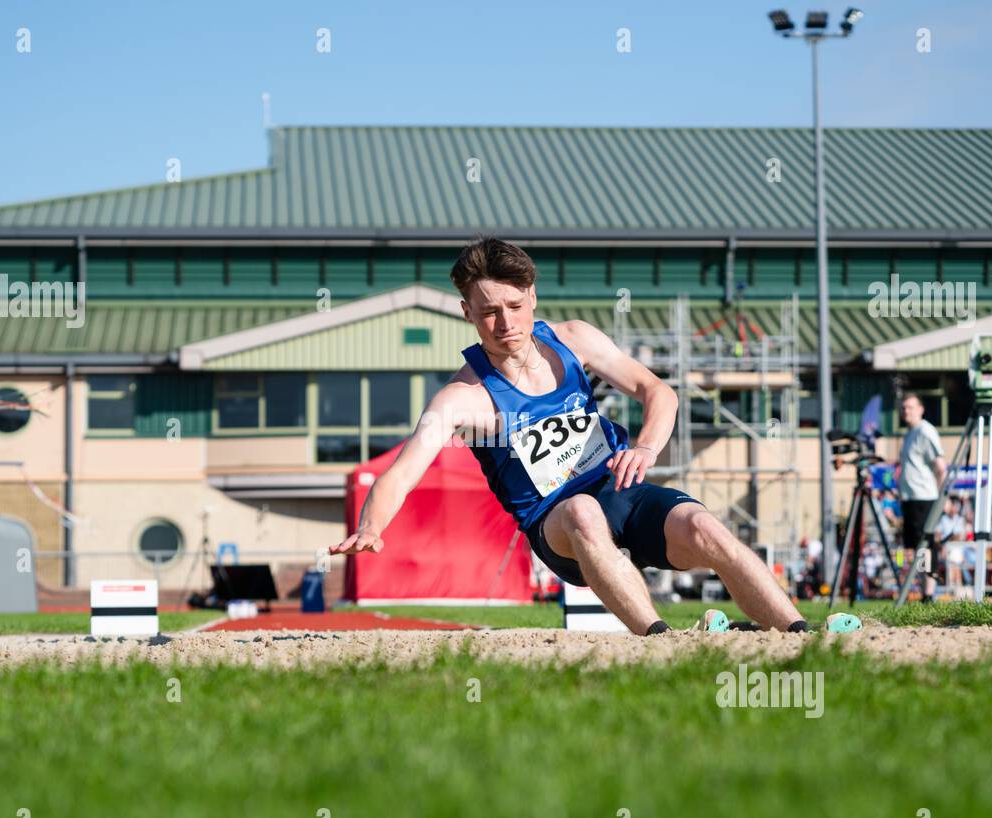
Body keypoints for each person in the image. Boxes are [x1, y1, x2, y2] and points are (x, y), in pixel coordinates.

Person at [330, 236, 811, 635]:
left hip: (621, 491)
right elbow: (402, 473)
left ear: (532, 296)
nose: (505, 324)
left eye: (515, 306)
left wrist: (645, 448)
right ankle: (661, 640)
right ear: (467, 313)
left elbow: (658, 392)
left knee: (706, 528)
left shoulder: (575, 339)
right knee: (582, 511)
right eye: (489, 311)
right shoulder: (463, 398)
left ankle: (798, 633)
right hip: (557, 525)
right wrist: (372, 526)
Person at [897, 393, 947, 600]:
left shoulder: (925, 431)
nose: (906, 411)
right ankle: (922, 590)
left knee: (926, 546)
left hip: (924, 498)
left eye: (910, 407)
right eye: (904, 408)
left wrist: (939, 499)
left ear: (920, 409)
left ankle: (928, 593)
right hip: (911, 498)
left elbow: (940, 467)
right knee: (914, 548)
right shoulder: (910, 433)